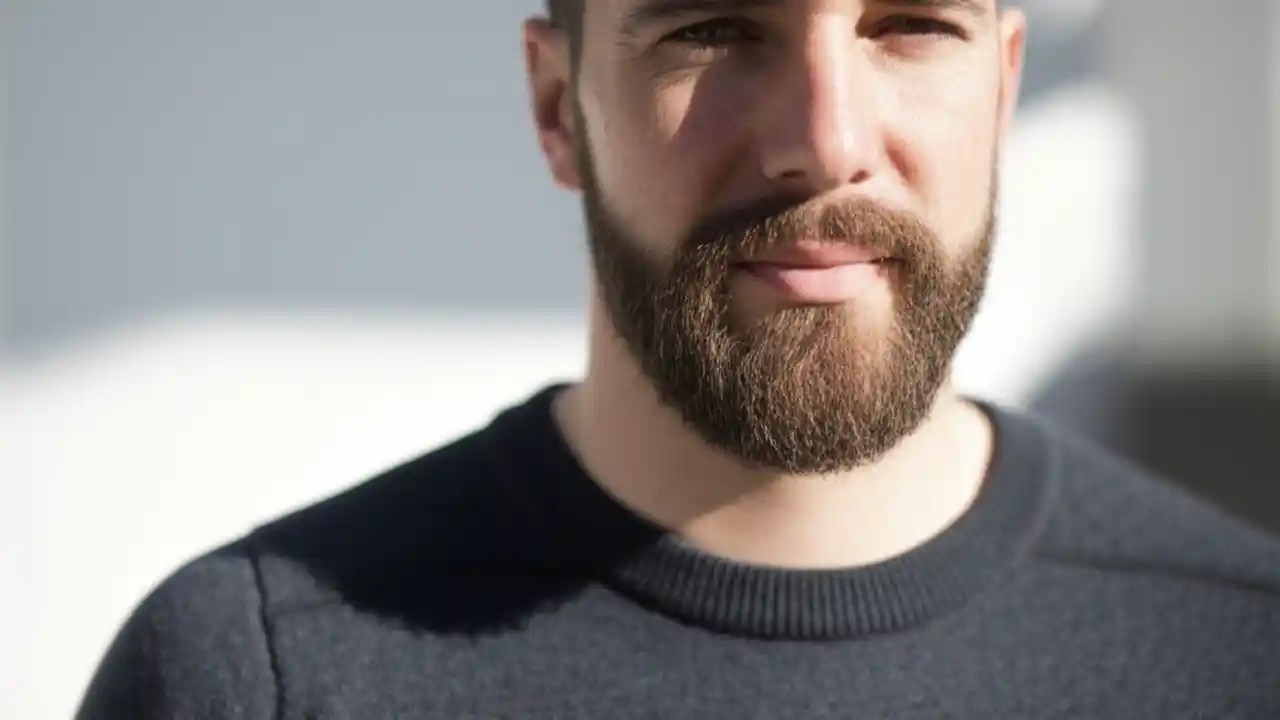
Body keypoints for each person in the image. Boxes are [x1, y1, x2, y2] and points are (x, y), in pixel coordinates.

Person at [79, 1, 1280, 717]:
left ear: (1004, 87)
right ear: (558, 107)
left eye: (908, 24)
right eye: (714, 26)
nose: (825, 141)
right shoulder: (256, 680)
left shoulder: (1238, 658)